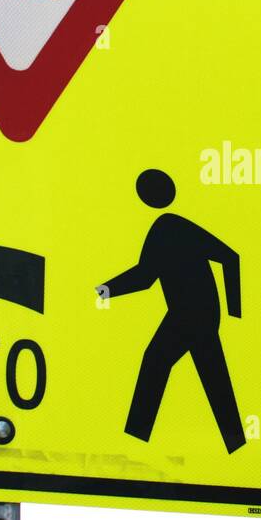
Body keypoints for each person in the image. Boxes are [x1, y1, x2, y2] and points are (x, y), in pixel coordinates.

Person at [97, 169, 246, 453]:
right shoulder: (165, 227)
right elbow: (145, 277)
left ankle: (135, 440)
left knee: (159, 362)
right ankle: (236, 444)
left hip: (192, 314)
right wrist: (107, 289)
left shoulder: (170, 226)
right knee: (209, 376)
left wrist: (235, 311)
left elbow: (230, 257)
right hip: (191, 314)